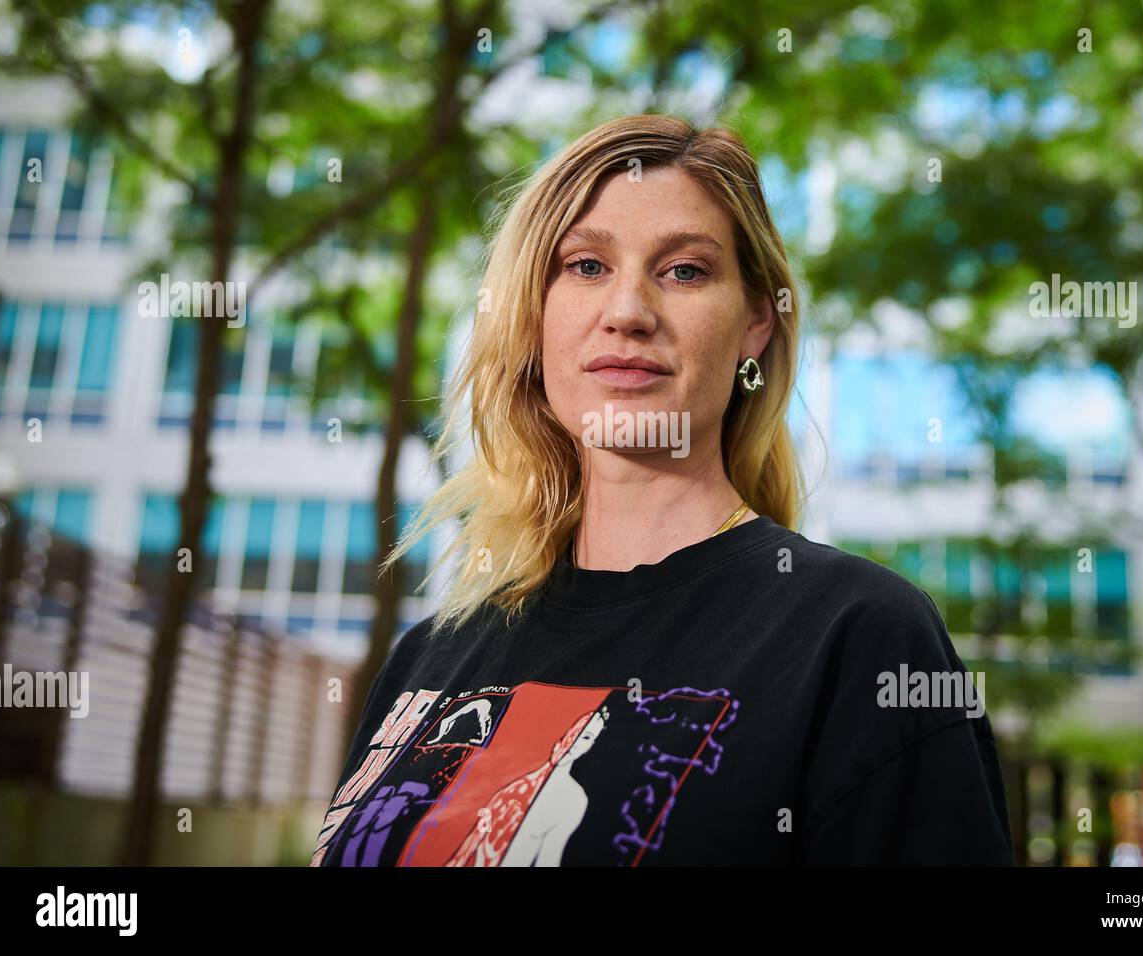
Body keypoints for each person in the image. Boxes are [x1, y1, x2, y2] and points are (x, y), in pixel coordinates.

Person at [311, 113, 1014, 867]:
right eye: (585, 266)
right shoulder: (429, 656)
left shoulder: (860, 637)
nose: (627, 313)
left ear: (756, 325)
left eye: (685, 271)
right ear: (532, 315)